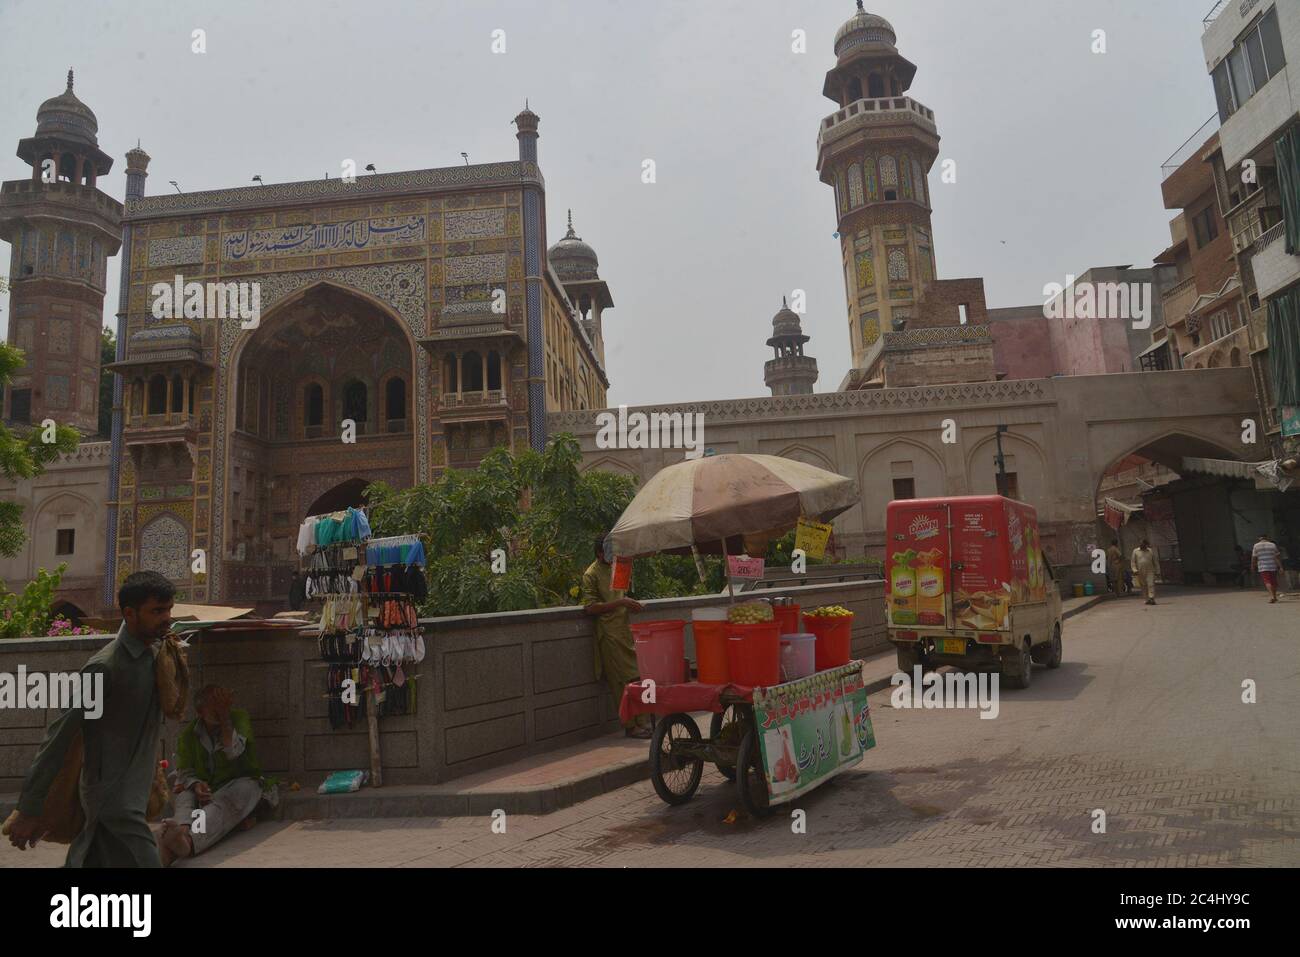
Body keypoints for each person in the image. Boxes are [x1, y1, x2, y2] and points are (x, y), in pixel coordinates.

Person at [7, 571, 175, 866]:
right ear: (129, 614)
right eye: (157, 611)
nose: (166, 618)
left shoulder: (157, 654)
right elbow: (59, 737)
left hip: (133, 793)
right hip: (113, 800)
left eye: (168, 610)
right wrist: (30, 808)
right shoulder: (104, 668)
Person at [159, 685, 269, 865]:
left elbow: (233, 752)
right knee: (183, 792)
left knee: (231, 798)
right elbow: (185, 771)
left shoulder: (238, 718)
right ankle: (182, 831)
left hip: (236, 786)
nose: (220, 709)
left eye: (222, 704)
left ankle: (189, 842)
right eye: (214, 706)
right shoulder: (188, 734)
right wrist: (195, 785)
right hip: (205, 787)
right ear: (200, 712)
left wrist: (226, 718)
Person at [581, 537, 652, 739]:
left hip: (625, 630)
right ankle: (630, 726)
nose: (613, 556)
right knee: (621, 683)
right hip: (609, 634)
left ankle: (644, 722)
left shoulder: (619, 564)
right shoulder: (591, 574)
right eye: (609, 553)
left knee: (639, 677)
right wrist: (622, 602)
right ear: (599, 554)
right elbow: (590, 607)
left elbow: (637, 556)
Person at [1250, 534, 1282, 604]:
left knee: (1267, 582)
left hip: (1263, 567)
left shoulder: (1256, 545)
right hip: (1273, 566)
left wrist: (1252, 566)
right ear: (1267, 538)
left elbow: (1254, 557)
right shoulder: (1272, 545)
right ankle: (1274, 597)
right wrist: (1281, 567)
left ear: (1259, 538)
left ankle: (1272, 596)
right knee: (1274, 582)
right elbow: (1277, 557)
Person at [1131, 539, 1159, 605]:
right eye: (1140, 544)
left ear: (1146, 545)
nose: (1141, 545)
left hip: (1150, 570)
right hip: (1140, 571)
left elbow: (1155, 562)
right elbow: (1133, 562)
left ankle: (1151, 598)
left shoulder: (1150, 551)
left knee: (1150, 584)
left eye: (1143, 544)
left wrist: (1157, 571)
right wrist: (1134, 570)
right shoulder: (1135, 551)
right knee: (1143, 585)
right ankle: (1146, 599)